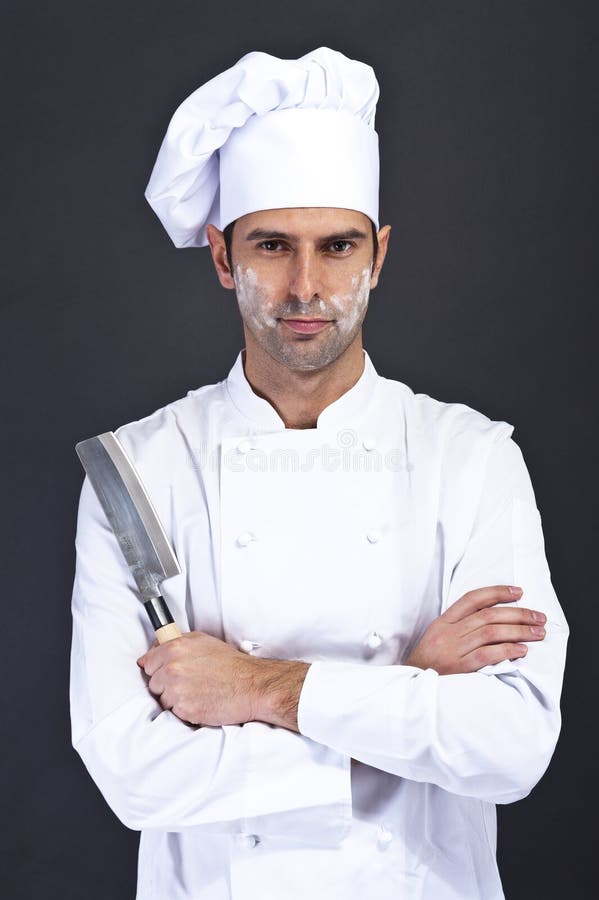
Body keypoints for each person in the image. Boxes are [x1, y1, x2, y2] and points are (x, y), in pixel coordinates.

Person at [69, 47, 569, 900]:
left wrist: (255, 688)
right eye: (272, 247)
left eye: (337, 247)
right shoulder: (140, 467)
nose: (306, 288)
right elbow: (133, 774)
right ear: (224, 258)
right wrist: (413, 691)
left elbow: (511, 748)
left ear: (376, 254)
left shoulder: (471, 456)